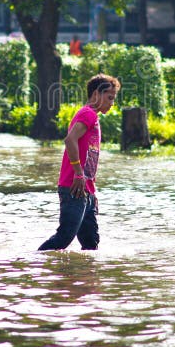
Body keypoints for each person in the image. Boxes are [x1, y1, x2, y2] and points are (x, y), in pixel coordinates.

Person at [39, 73, 120, 251]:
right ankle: (35, 262)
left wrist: (92, 191)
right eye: (110, 97)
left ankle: (85, 277)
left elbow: (89, 158)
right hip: (73, 186)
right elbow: (70, 140)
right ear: (96, 95)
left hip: (86, 189)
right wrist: (78, 173)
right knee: (64, 237)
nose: (112, 103)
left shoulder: (93, 117)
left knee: (91, 242)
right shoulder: (88, 114)